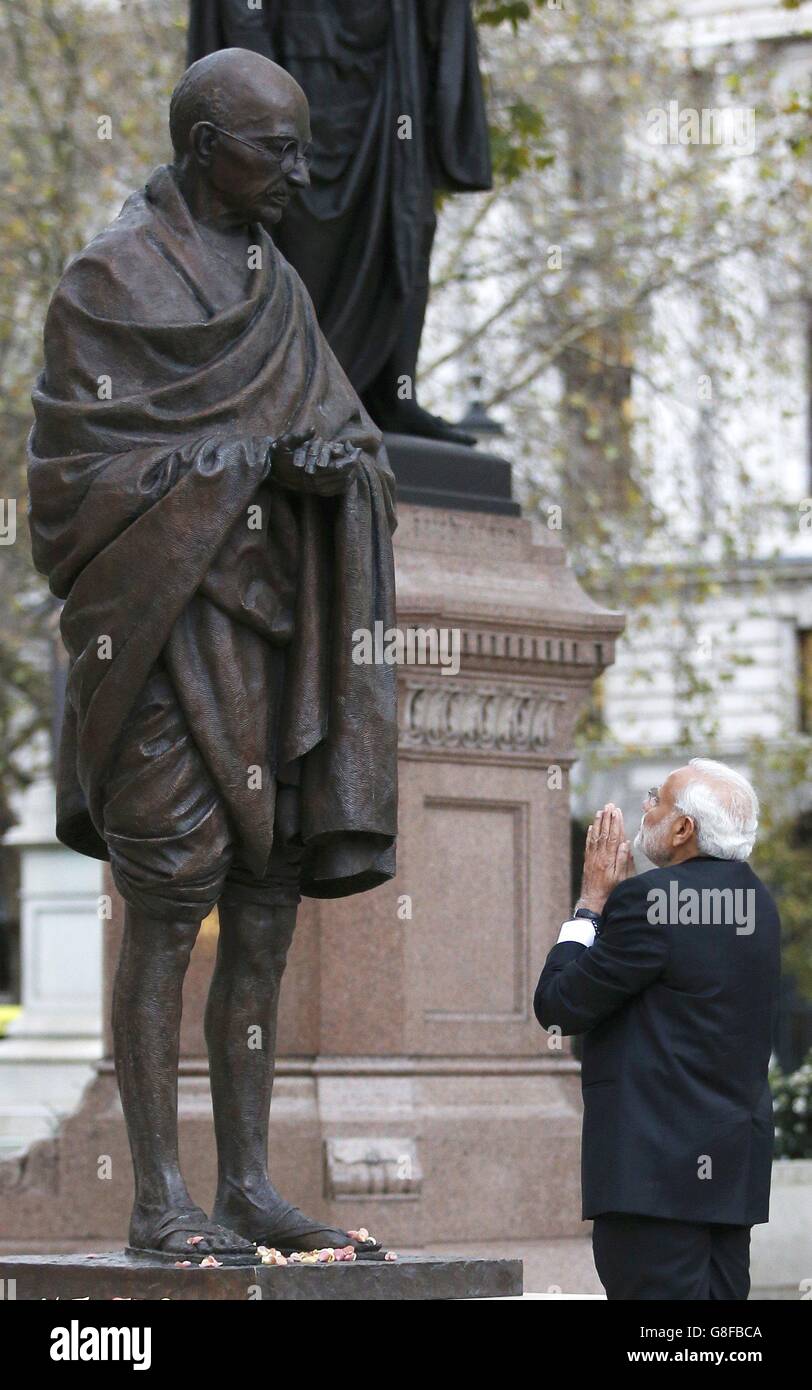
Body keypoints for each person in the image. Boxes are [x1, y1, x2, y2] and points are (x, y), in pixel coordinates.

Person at [28, 49, 398, 1262]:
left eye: (302, 145)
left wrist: (337, 474)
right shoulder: (110, 278)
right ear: (201, 147)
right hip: (158, 647)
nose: (302, 168)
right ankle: (155, 1198)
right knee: (164, 906)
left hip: (267, 646)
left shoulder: (274, 286)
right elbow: (71, 493)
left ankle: (245, 1183)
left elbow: (344, 435)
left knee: (262, 917)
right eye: (275, 148)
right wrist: (242, 464)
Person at [186, 0, 493, 444]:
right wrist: (255, 70)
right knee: (296, 222)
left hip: (390, 70)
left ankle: (391, 394)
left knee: (403, 224)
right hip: (299, 64)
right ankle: (293, 390)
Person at [534, 759, 780, 1300]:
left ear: (684, 829)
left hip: (653, 1182)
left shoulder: (651, 901)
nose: (646, 807)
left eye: (657, 800)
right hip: (726, 1179)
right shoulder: (757, 902)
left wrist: (591, 904)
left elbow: (557, 1006)